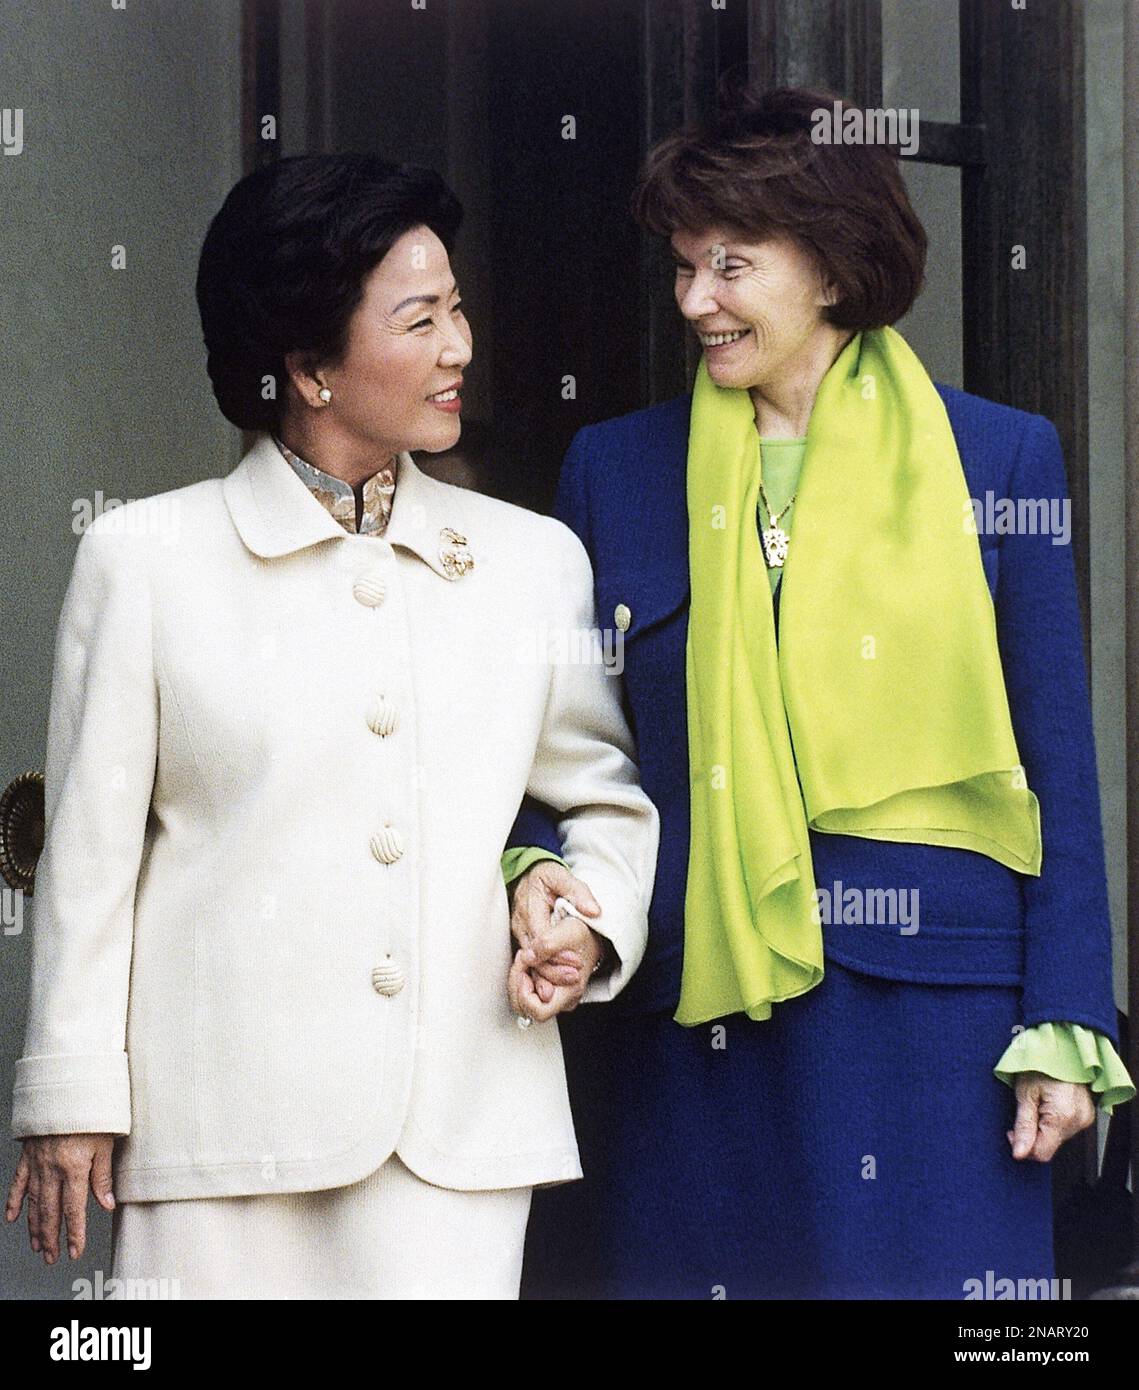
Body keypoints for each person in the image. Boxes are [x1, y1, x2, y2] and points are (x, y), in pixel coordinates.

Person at [508, 86, 1134, 1299]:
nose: (693, 299)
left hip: (936, 1025)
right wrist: (543, 880)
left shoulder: (999, 458)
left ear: (835, 268)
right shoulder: (615, 470)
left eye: (728, 266)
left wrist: (1067, 1016)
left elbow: (1054, 758)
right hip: (698, 1027)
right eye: (684, 267)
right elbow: (565, 754)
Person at [5, 154, 658, 1299]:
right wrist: (71, 1095)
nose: (460, 344)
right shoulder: (145, 561)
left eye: (456, 307)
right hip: (214, 1141)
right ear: (308, 366)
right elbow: (90, 865)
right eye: (420, 318)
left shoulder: (527, 563)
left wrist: (583, 918)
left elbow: (601, 798)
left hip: (454, 1135)